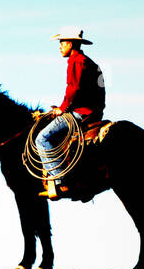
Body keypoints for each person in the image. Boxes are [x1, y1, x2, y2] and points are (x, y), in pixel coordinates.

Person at [36, 27, 105, 198]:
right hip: (94, 112)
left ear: (71, 43)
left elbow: (73, 89)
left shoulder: (76, 61)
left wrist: (62, 108)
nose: (59, 47)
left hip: (81, 113)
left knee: (42, 138)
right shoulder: (89, 62)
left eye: (62, 43)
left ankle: (61, 181)